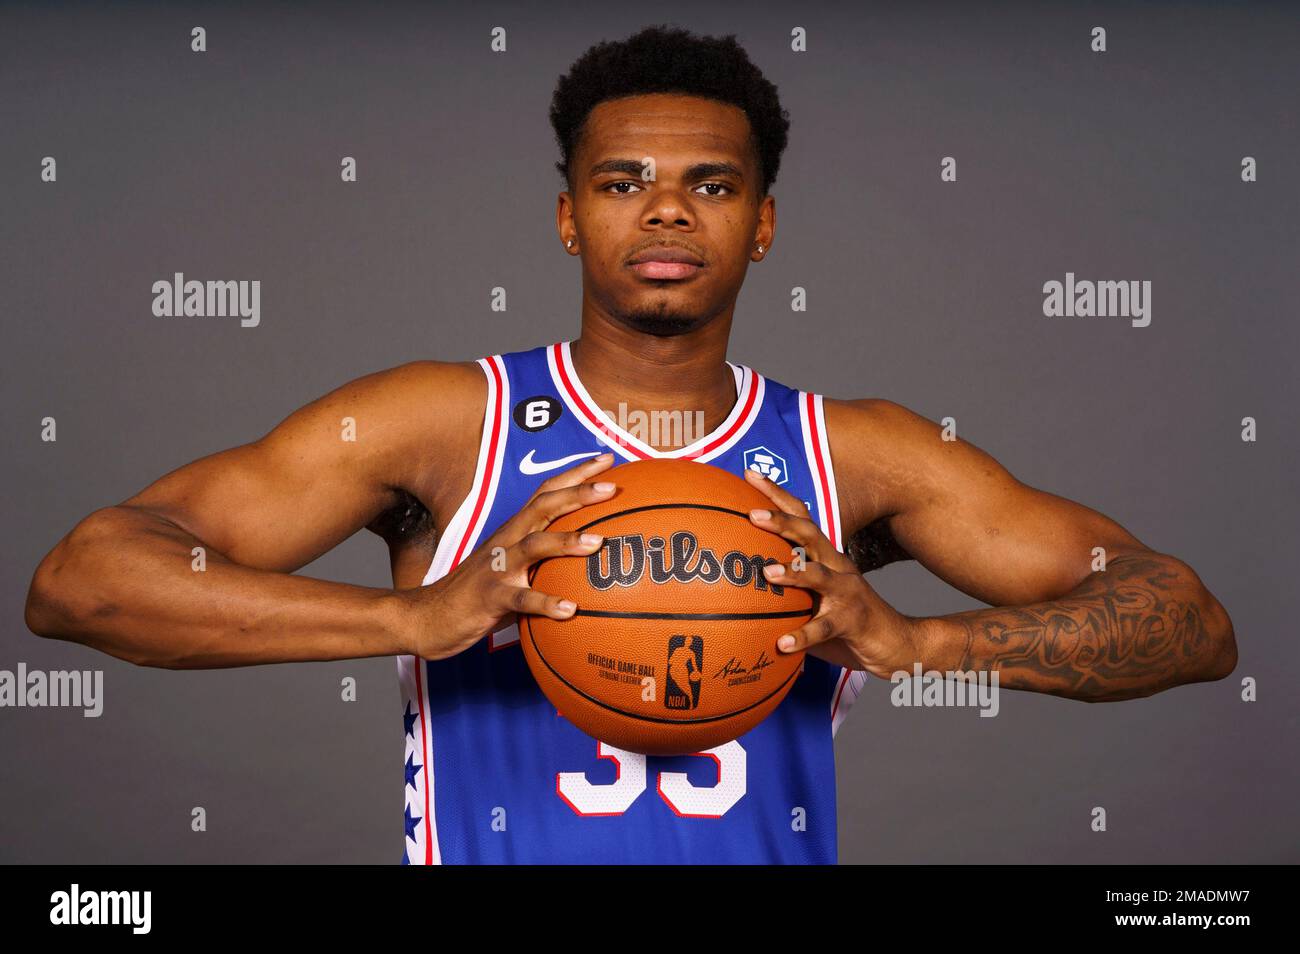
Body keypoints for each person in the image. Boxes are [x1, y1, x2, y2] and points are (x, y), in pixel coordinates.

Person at [25, 25, 1236, 865]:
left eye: (710, 185)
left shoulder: (860, 454)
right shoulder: (444, 426)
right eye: (622, 182)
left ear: (761, 226)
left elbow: (1184, 620)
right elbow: (83, 582)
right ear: (568, 216)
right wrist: (412, 618)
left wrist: (918, 641)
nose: (664, 209)